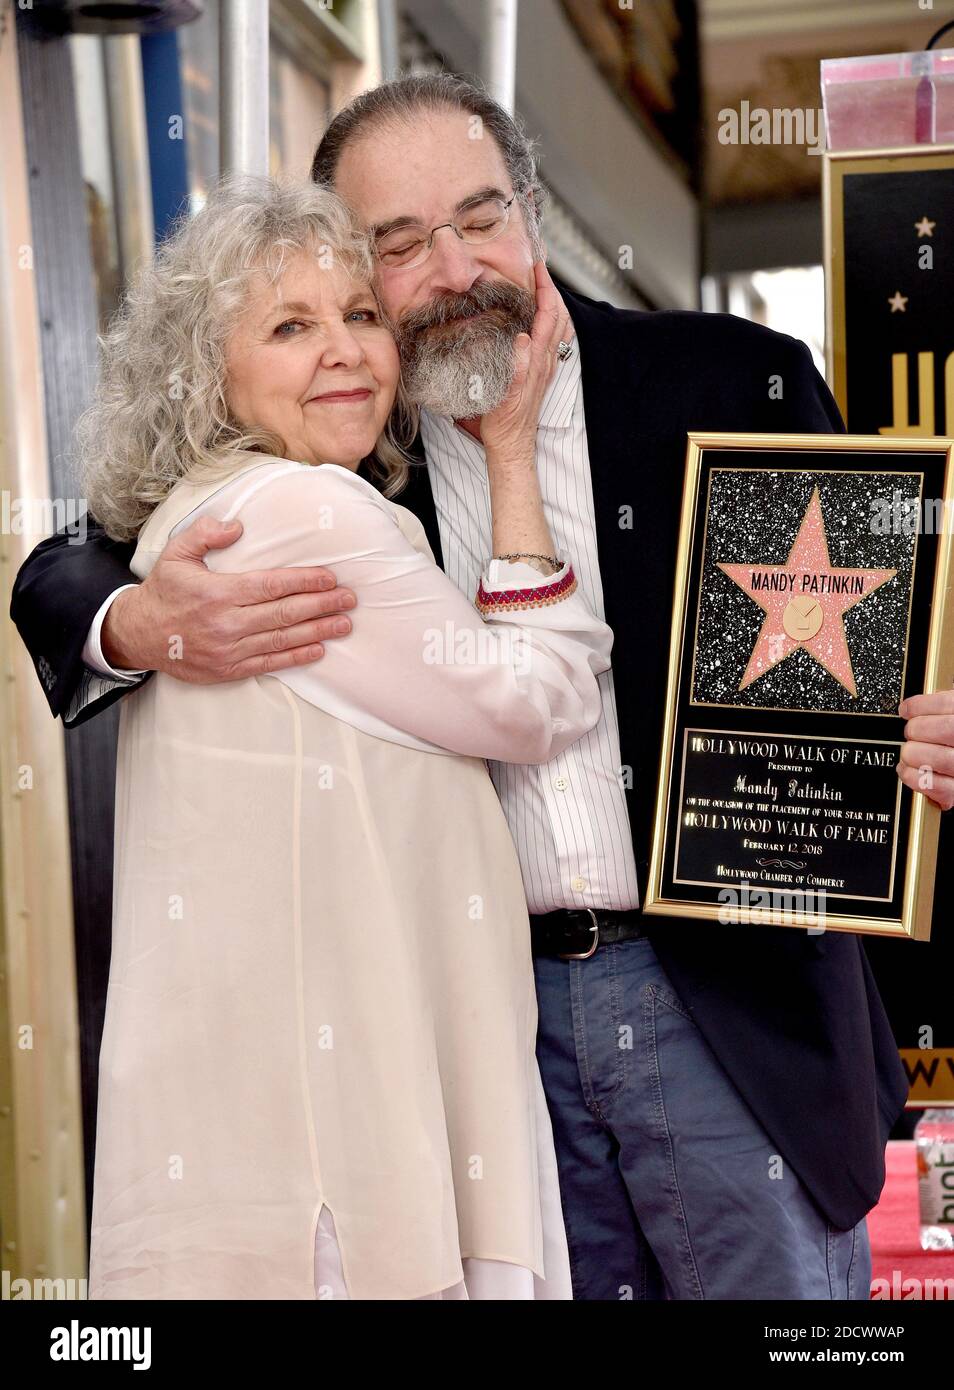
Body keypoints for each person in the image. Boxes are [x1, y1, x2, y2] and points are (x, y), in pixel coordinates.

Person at [14, 74, 953, 1300]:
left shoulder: (732, 381)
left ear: (533, 208)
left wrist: (926, 725)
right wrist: (132, 618)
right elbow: (64, 558)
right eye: (399, 246)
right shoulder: (347, 436)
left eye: (478, 217)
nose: (454, 269)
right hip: (484, 1028)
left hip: (734, 1010)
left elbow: (873, 663)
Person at [58, 173, 617, 1300]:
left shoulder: (210, 512)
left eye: (361, 315)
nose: (346, 351)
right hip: (340, 1169)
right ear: (206, 373)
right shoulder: (304, 513)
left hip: (281, 1147)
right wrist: (512, 452)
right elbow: (538, 701)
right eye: (290, 326)